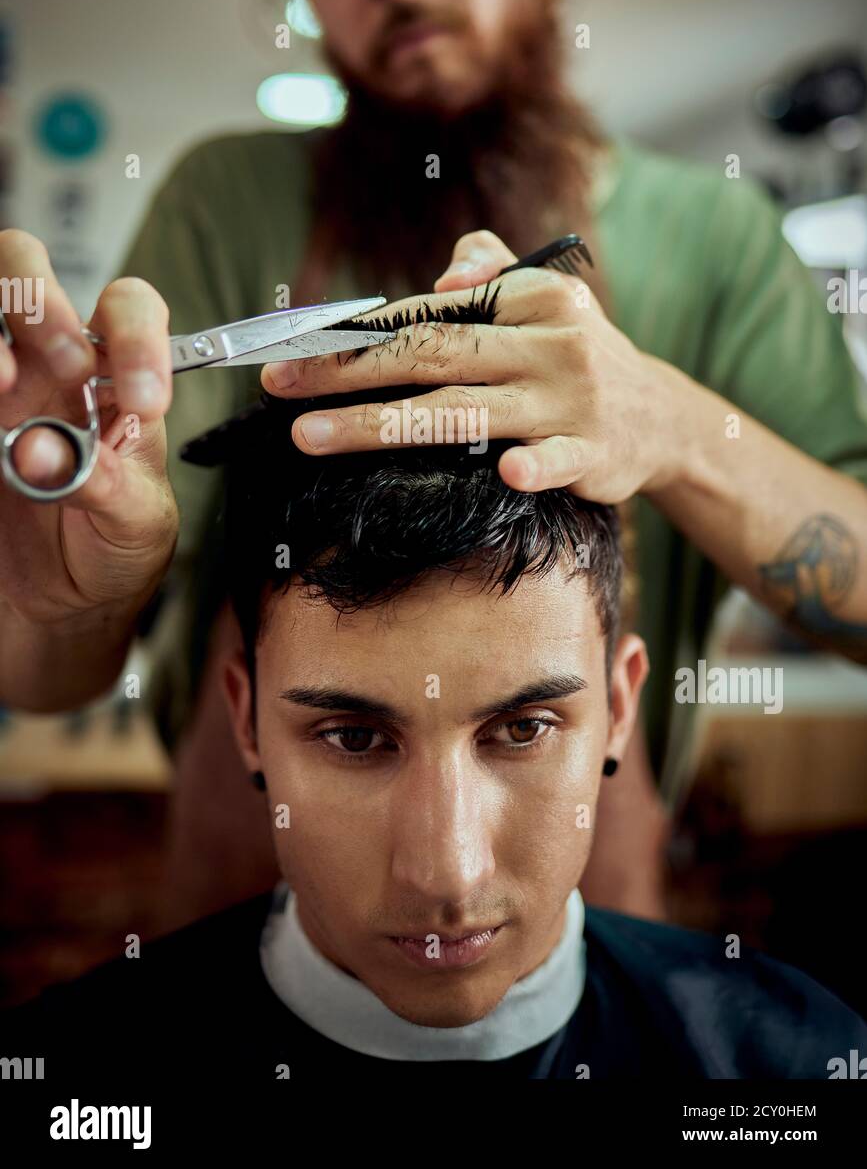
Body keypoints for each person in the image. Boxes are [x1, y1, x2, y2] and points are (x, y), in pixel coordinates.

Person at [1, 0, 866, 927]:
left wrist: (668, 428)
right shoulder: (225, 202)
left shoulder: (717, 237)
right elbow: (45, 680)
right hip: (241, 925)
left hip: (584, 950)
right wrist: (60, 585)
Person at [6, 306, 866, 1081]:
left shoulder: (789, 1066)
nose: (446, 873)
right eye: (353, 738)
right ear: (246, 720)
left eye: (523, 728)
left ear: (619, 706)